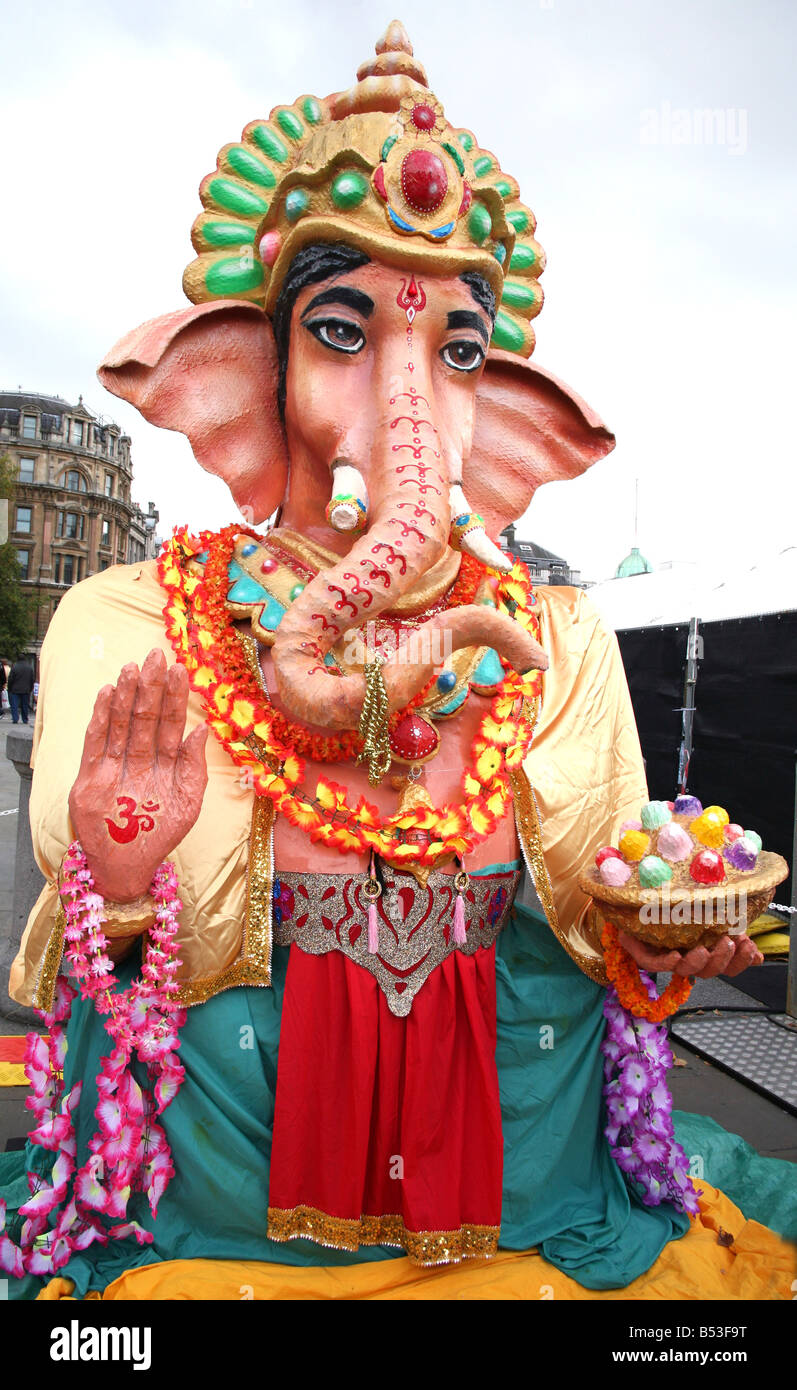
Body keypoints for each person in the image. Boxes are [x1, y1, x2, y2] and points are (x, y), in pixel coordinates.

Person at [2, 23, 794, 1301]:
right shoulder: (132, 619)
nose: (405, 392)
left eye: (455, 352)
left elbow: (590, 921)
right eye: (340, 331)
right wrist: (125, 871)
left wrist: (656, 938)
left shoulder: (553, 638)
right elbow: (102, 950)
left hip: (508, 1166)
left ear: (507, 415)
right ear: (238, 378)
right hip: (226, 1180)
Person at [7, 654, 33, 724]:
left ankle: (15, 718)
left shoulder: (14, 667)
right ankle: (25, 719)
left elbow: (10, 679)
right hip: (26, 689)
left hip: (15, 689)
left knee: (14, 705)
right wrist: (30, 688)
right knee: (25, 705)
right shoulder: (29, 667)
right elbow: (31, 679)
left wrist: (9, 688)